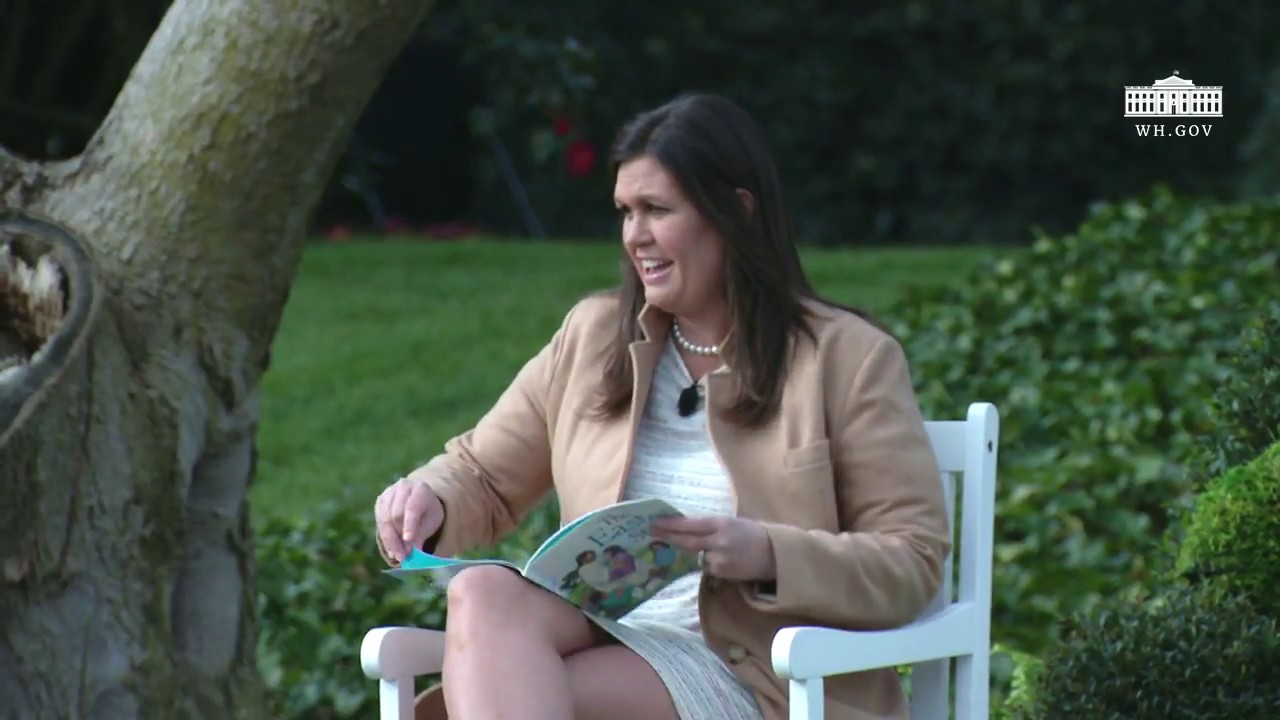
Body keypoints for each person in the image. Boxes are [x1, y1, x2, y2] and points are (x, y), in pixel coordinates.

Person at [373, 93, 951, 720]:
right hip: (603, 634)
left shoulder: (846, 358)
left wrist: (769, 553)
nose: (635, 236)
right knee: (483, 591)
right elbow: (481, 473)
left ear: (735, 213)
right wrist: (429, 497)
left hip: (761, 672)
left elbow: (911, 561)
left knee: (516, 695)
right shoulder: (594, 337)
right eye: (625, 212)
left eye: (657, 210)